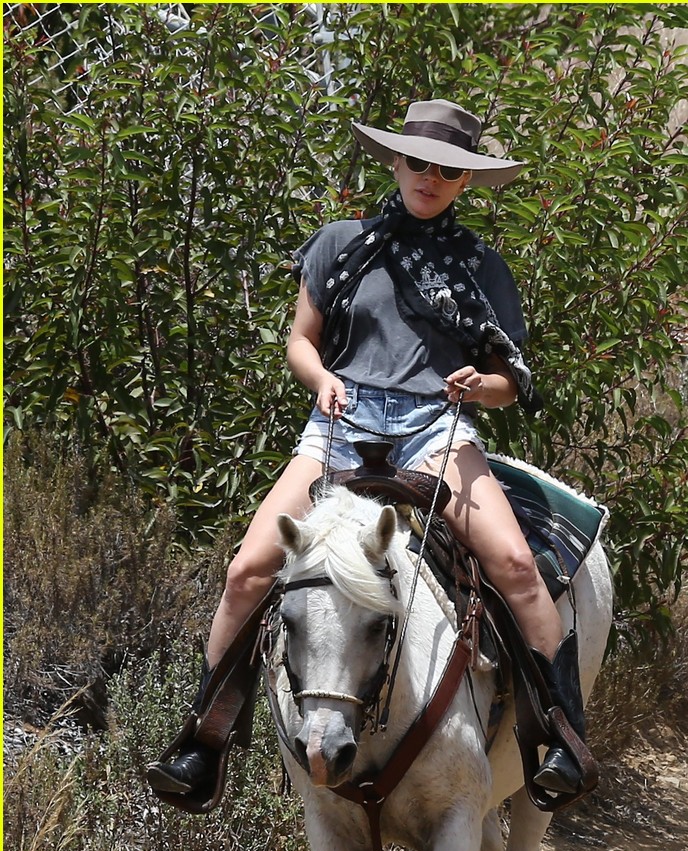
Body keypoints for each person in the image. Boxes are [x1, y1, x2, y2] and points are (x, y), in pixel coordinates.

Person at [147, 99, 592, 802]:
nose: (430, 177)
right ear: (395, 159)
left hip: (434, 429)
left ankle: (559, 743)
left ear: (466, 181)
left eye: (449, 168)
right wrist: (321, 378)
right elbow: (301, 338)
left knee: (514, 565)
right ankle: (203, 743)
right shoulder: (338, 243)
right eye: (418, 160)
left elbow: (512, 380)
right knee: (247, 571)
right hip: (339, 423)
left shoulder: (482, 267)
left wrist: (483, 386)